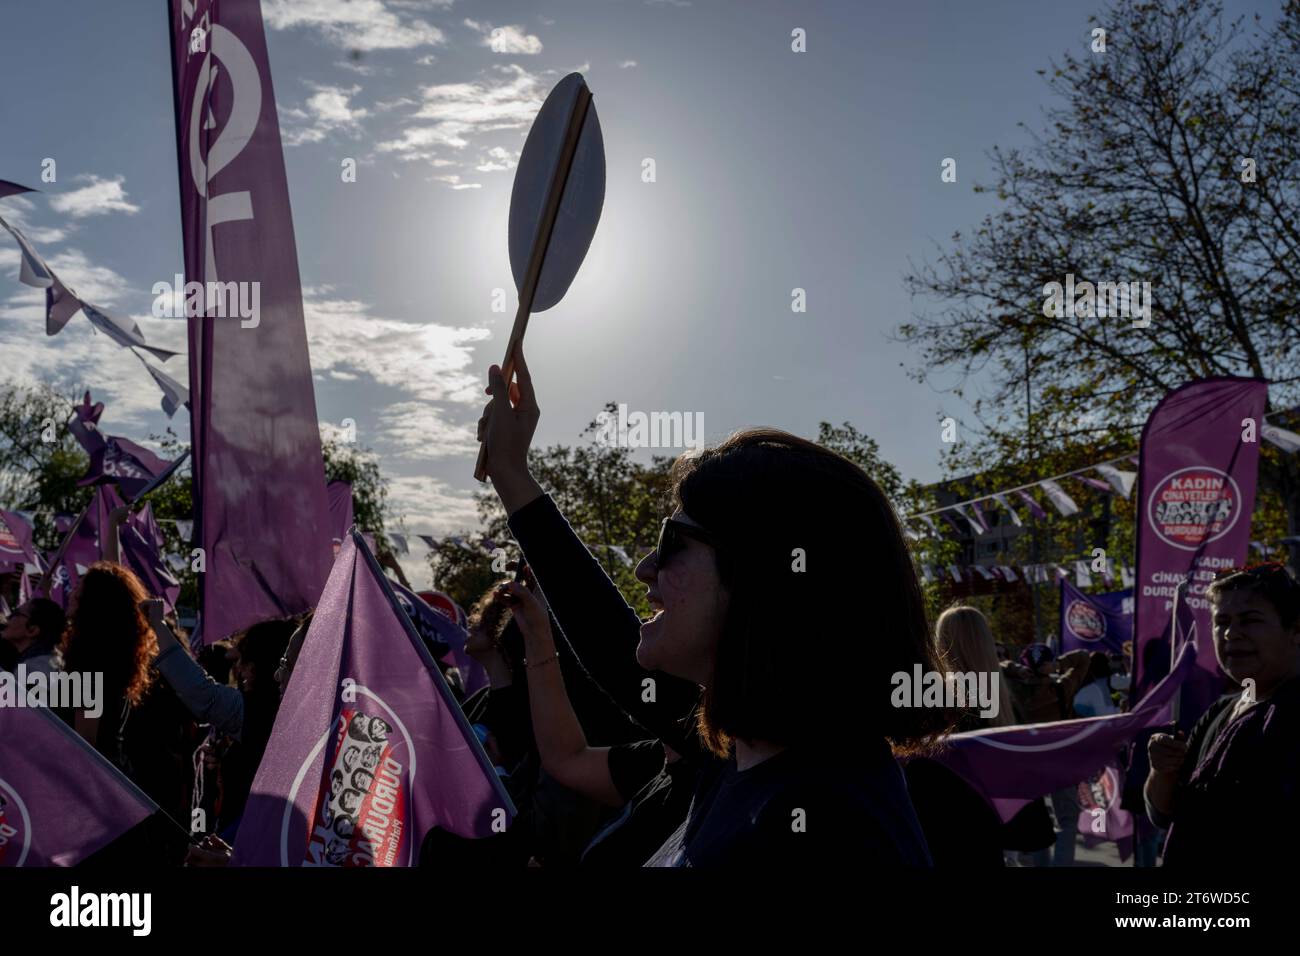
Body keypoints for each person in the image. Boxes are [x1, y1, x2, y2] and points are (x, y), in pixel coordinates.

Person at [478, 346, 943, 866]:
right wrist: (511, 474)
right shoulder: (744, 747)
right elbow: (612, 644)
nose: (644, 568)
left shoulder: (833, 834)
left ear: (762, 579)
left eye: (672, 540)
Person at [1144, 563, 1300, 867]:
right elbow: (1162, 813)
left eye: (1250, 620)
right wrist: (1162, 769)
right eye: (1222, 621)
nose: (1231, 633)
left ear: (1296, 630)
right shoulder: (1222, 710)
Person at [57, 562, 196, 863]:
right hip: (119, 778)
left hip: (98, 789)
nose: (70, 596)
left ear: (93, 605)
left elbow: (86, 739)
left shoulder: (88, 658)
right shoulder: (114, 650)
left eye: (78, 594)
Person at [903, 605, 1054, 867]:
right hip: (984, 848)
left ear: (941, 644)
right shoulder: (1001, 709)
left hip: (937, 847)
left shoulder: (929, 708)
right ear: (986, 645)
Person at [1, 597, 64, 674]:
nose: (8, 617)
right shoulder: (51, 660)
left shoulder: (31, 668)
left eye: (15, 613)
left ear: (32, 630)